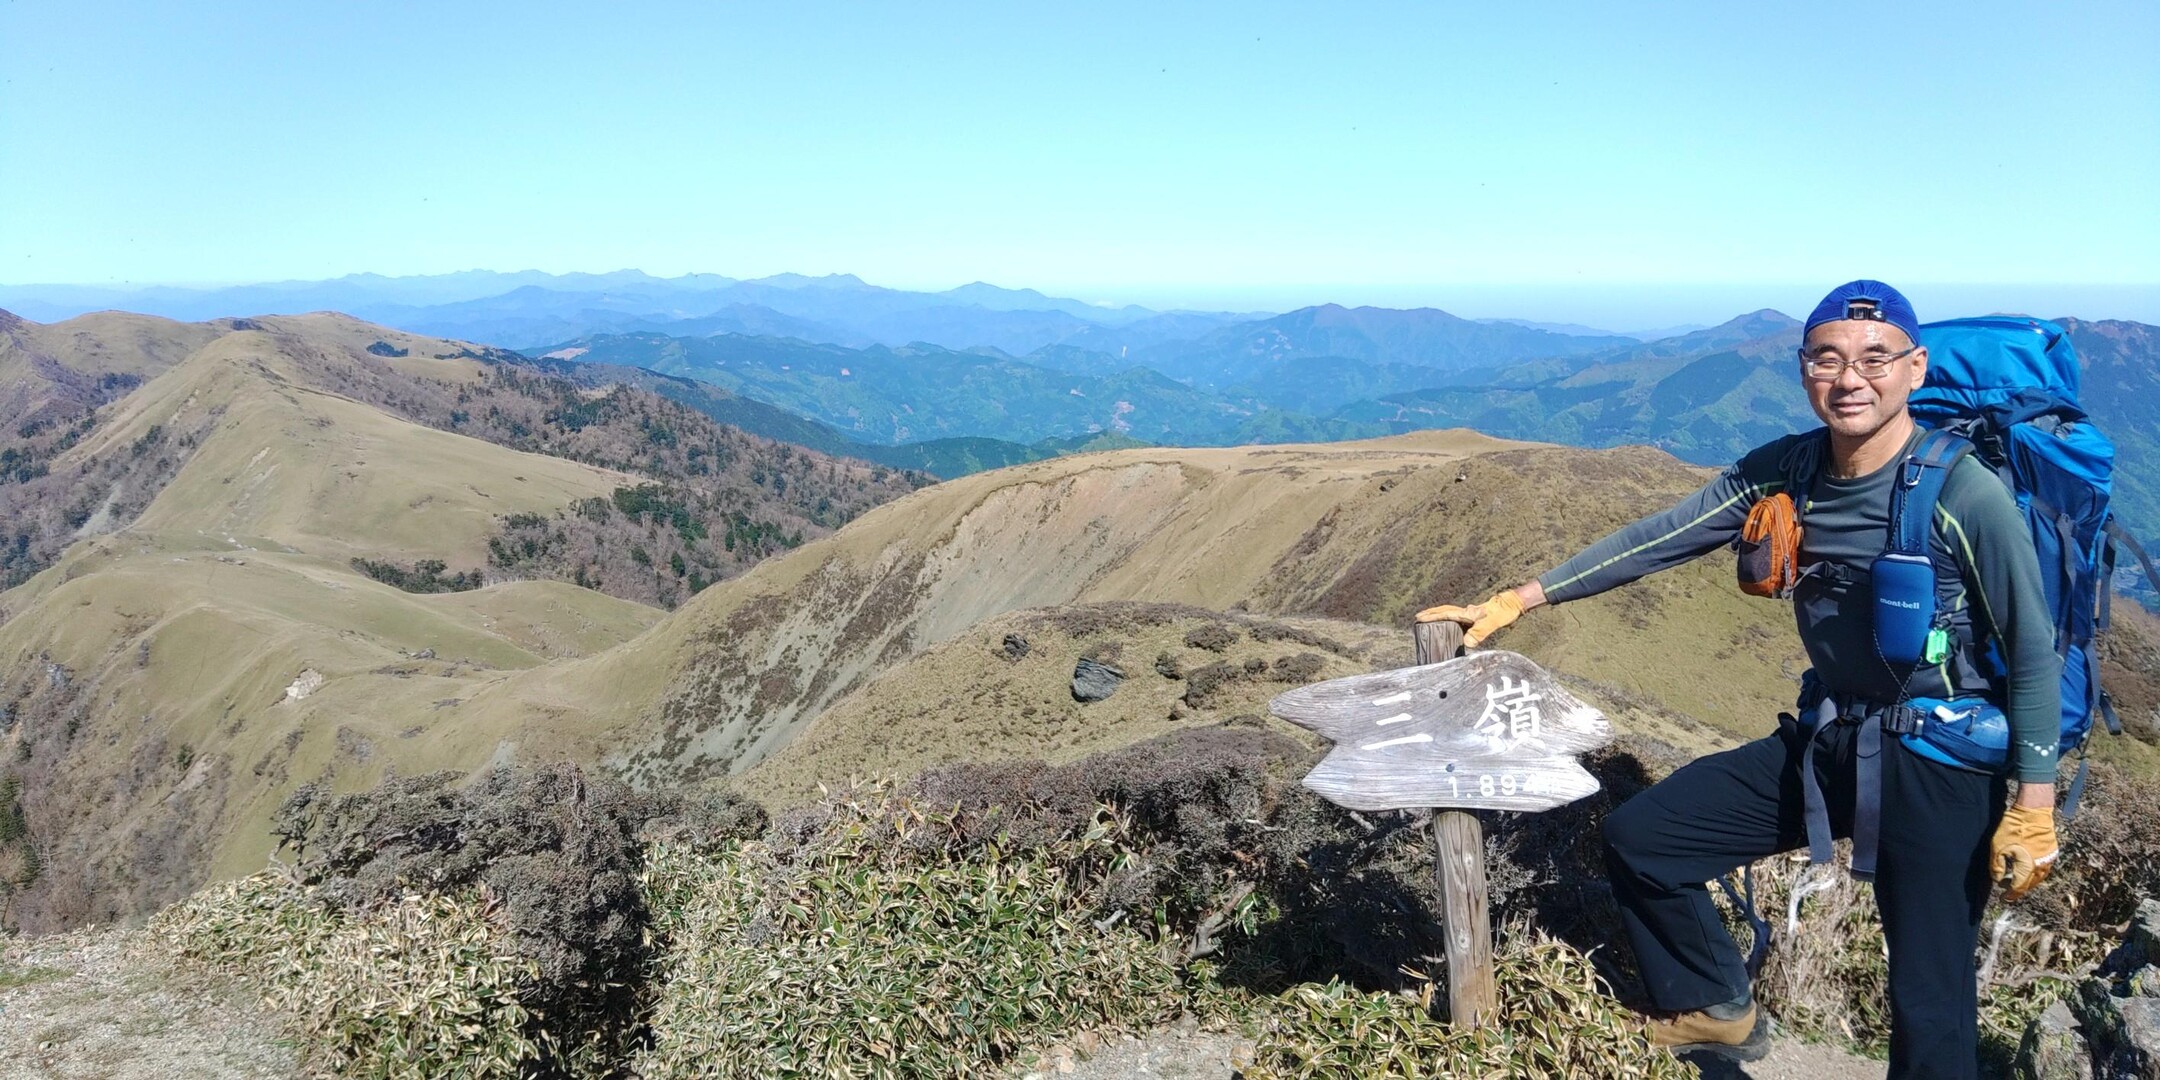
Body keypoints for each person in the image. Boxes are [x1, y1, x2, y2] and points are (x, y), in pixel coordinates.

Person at [1417, 280, 2061, 1079]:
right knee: (1645, 839)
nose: (1849, 379)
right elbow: (1668, 534)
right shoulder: (1789, 467)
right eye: (1827, 359)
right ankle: (1718, 1009)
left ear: (1915, 369)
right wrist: (1523, 596)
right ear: (1803, 370)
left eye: (1874, 360)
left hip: (1938, 763)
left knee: (1929, 1001)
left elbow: (2034, 652)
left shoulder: (1966, 494)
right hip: (1832, 740)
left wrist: (2034, 805)